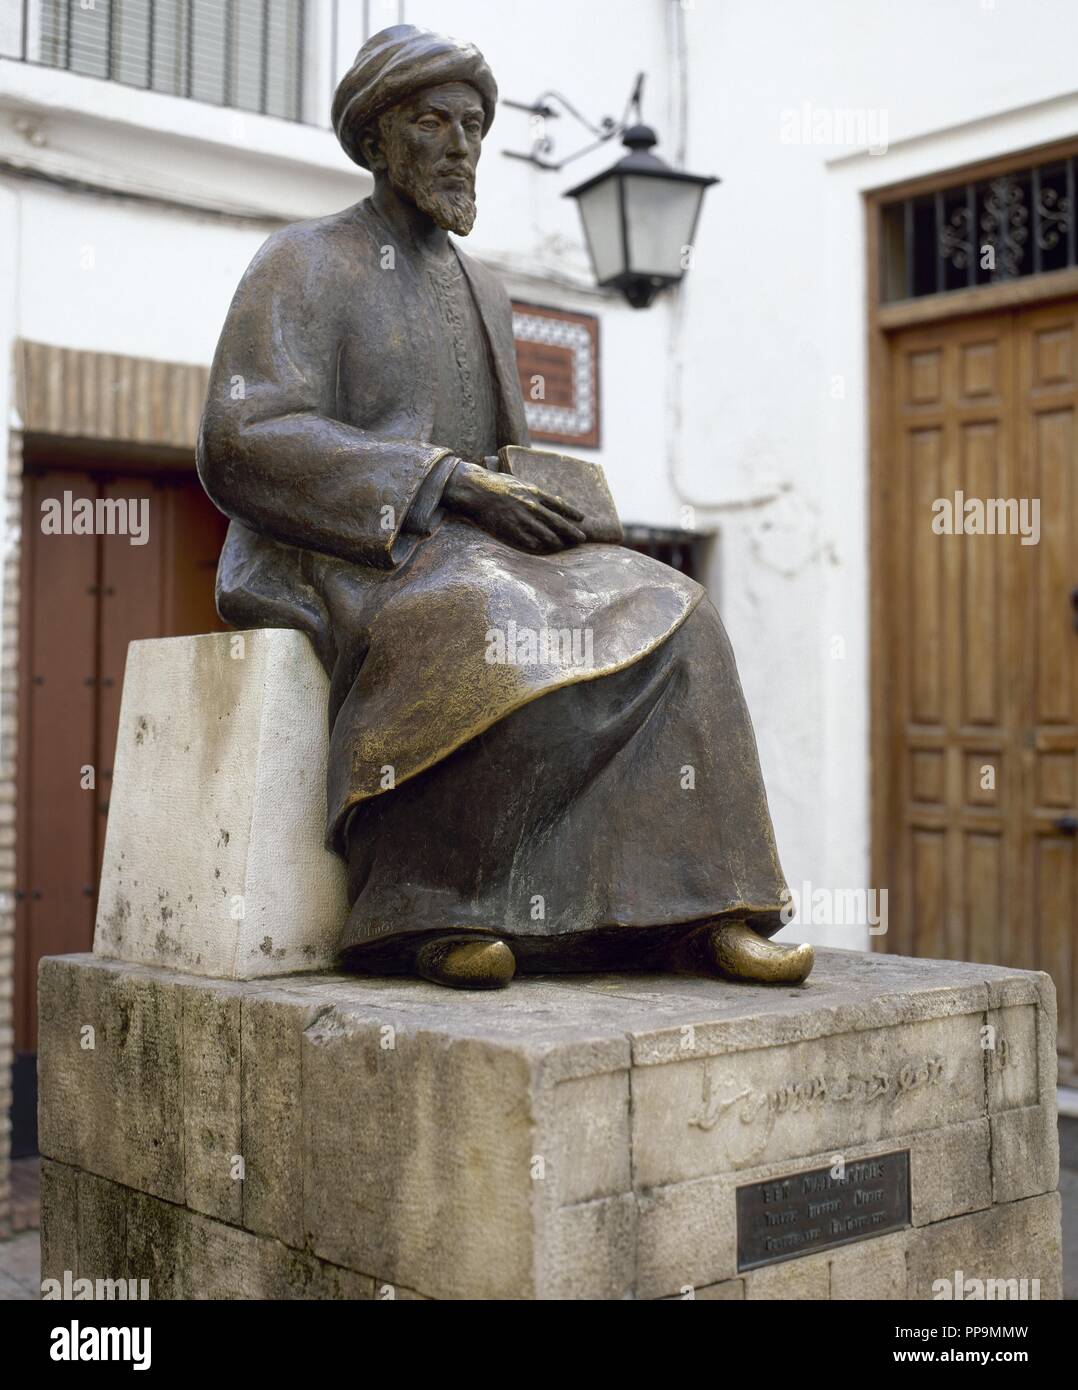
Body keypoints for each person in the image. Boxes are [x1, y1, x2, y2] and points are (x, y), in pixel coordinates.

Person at [197, 24, 812, 989]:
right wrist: (443, 481)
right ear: (376, 140)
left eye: (474, 127)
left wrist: (542, 499)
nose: (461, 146)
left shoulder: (482, 287)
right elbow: (242, 438)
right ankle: (425, 905)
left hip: (477, 537)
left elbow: (502, 450)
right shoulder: (303, 260)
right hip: (358, 549)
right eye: (432, 123)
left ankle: (703, 908)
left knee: (679, 612)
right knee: (490, 617)